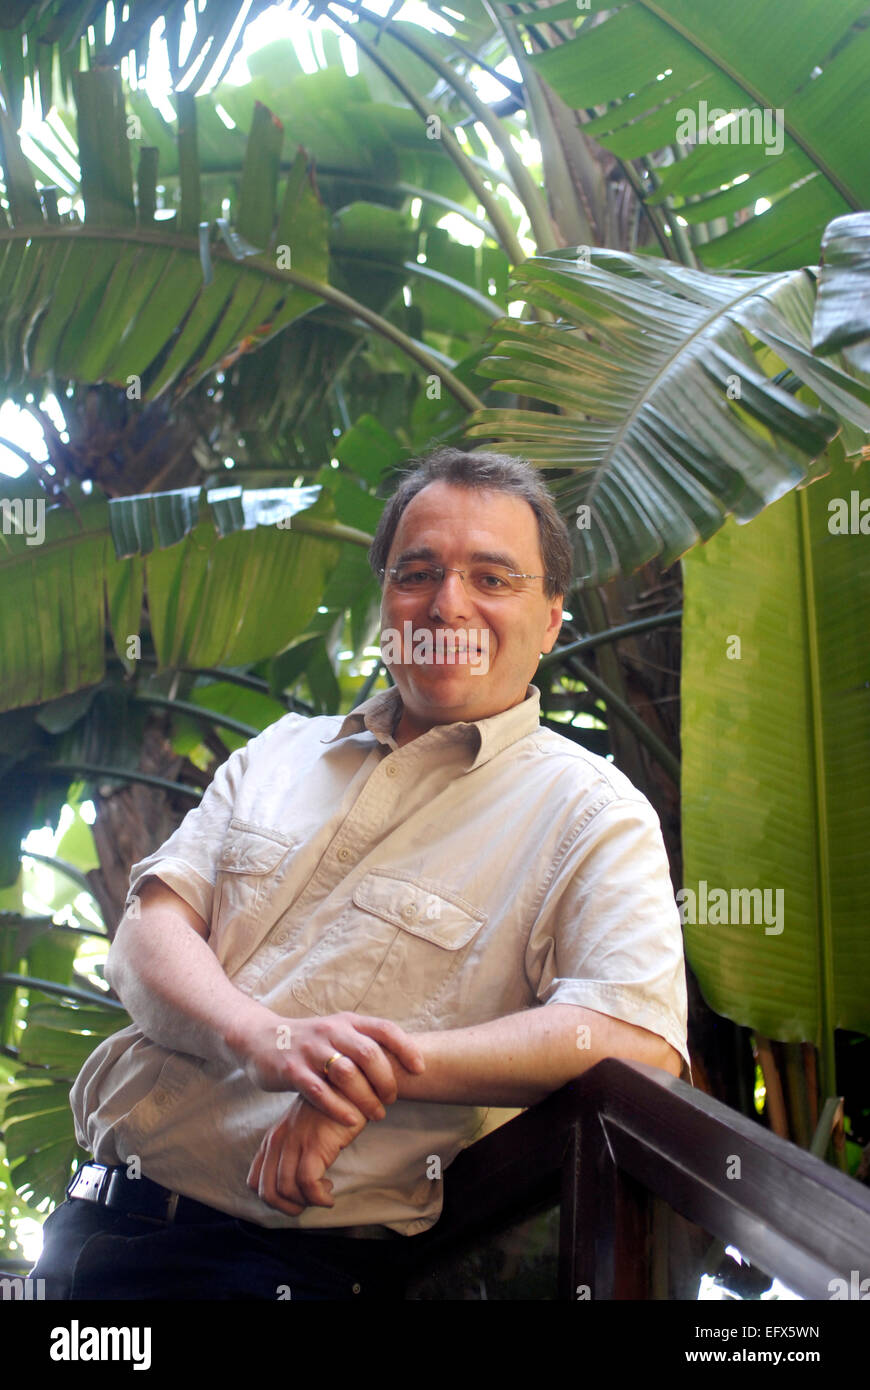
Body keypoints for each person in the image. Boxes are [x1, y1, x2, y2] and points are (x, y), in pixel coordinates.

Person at [33, 447, 689, 1300]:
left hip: (277, 1270)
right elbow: (147, 937)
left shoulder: (592, 815)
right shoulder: (281, 750)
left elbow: (632, 1034)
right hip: (89, 1231)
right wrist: (268, 1040)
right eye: (417, 572)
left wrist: (373, 1069)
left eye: (492, 578)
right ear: (387, 600)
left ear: (554, 617)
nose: (447, 602)